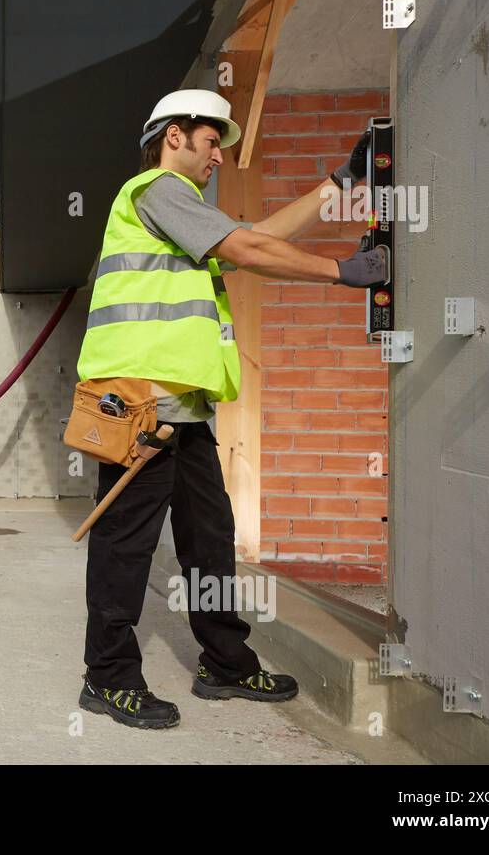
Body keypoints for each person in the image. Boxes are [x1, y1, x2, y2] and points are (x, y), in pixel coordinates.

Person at [75, 88, 387, 729]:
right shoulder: (154, 191)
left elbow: (255, 237)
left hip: (181, 411)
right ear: (173, 137)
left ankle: (225, 662)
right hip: (142, 407)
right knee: (125, 546)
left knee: (210, 542)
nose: (219, 154)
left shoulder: (183, 210)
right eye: (212, 140)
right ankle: (107, 678)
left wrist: (340, 183)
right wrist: (342, 271)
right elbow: (248, 251)